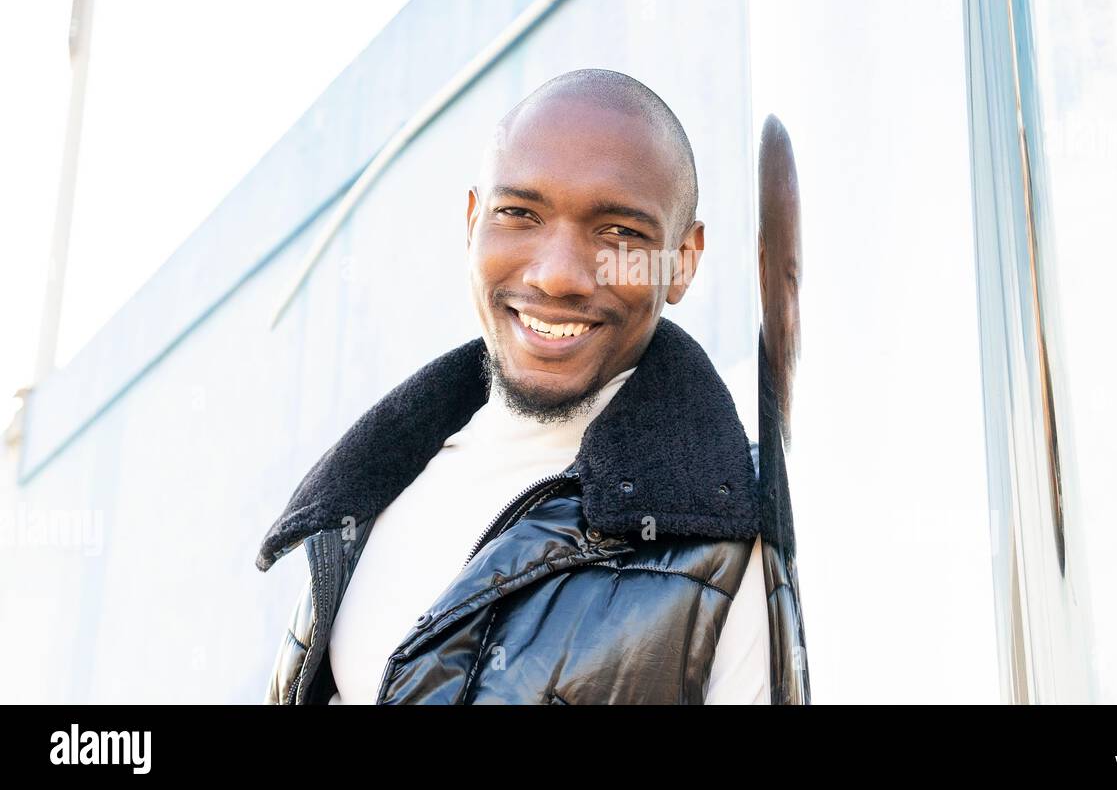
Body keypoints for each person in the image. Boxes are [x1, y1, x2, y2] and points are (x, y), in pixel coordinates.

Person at [254, 68, 810, 704]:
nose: (556, 276)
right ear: (472, 224)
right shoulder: (374, 484)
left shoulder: (730, 540)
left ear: (682, 261)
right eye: (519, 213)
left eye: (620, 233)